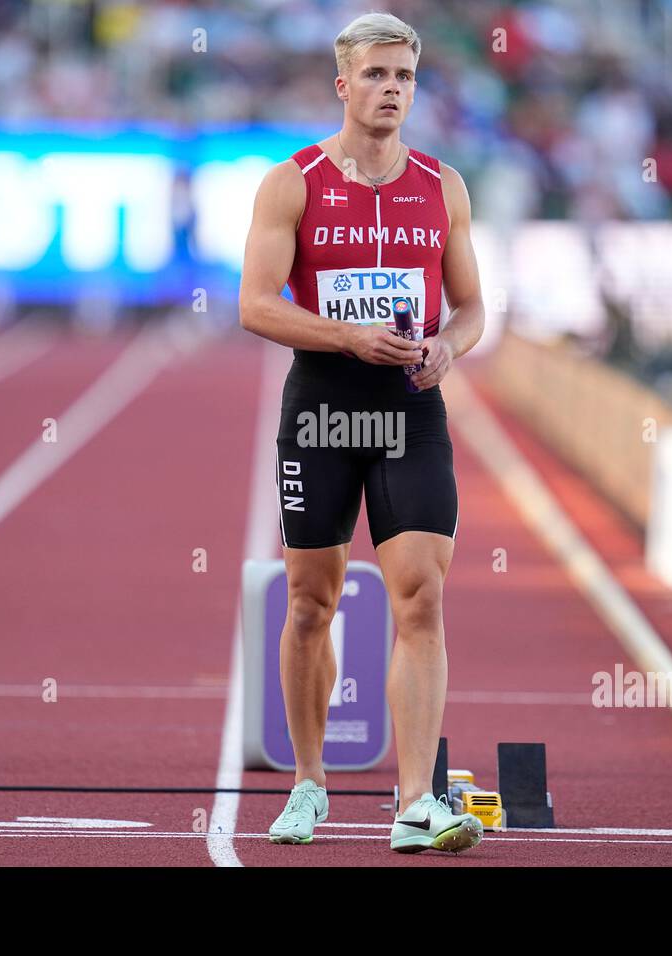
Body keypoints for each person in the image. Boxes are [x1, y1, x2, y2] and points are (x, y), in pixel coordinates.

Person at [238, 12, 485, 853]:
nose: (391, 90)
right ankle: (309, 783)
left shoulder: (441, 184)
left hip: (410, 409)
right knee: (312, 601)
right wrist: (346, 336)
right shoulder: (293, 181)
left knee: (421, 594)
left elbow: (473, 306)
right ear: (342, 84)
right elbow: (255, 304)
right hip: (323, 410)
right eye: (375, 75)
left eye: (404, 77)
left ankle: (415, 800)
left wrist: (449, 344)